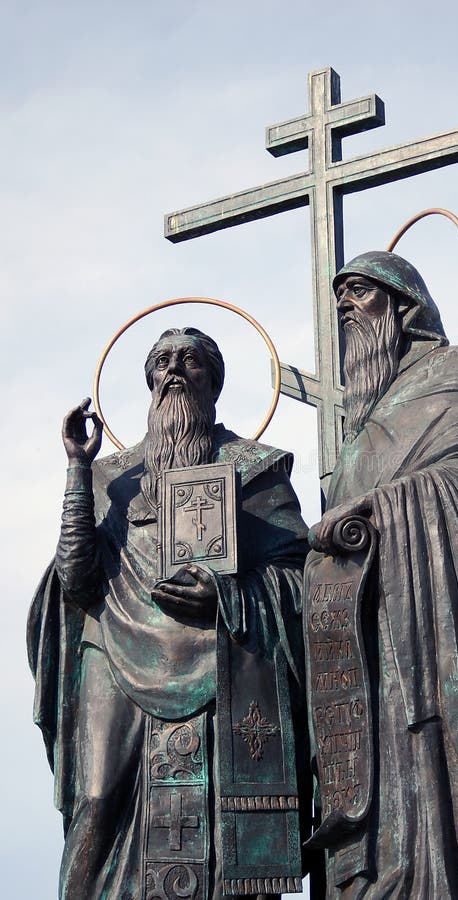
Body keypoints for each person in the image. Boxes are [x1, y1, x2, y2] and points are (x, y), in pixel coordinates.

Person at [28, 327, 311, 900]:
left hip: (219, 655)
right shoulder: (114, 478)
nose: (175, 369)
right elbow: (78, 582)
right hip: (114, 643)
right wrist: (79, 472)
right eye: (162, 361)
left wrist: (229, 595)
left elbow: (300, 580)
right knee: (98, 799)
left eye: (191, 360)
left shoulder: (256, 471)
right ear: (151, 383)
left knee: (209, 803)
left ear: (215, 381)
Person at [306, 252, 458, 899]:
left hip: (441, 642)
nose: (344, 309)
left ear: (402, 304)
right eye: (339, 299)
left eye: (358, 292)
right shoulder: (354, 439)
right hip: (366, 664)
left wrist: (382, 510)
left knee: (441, 806)